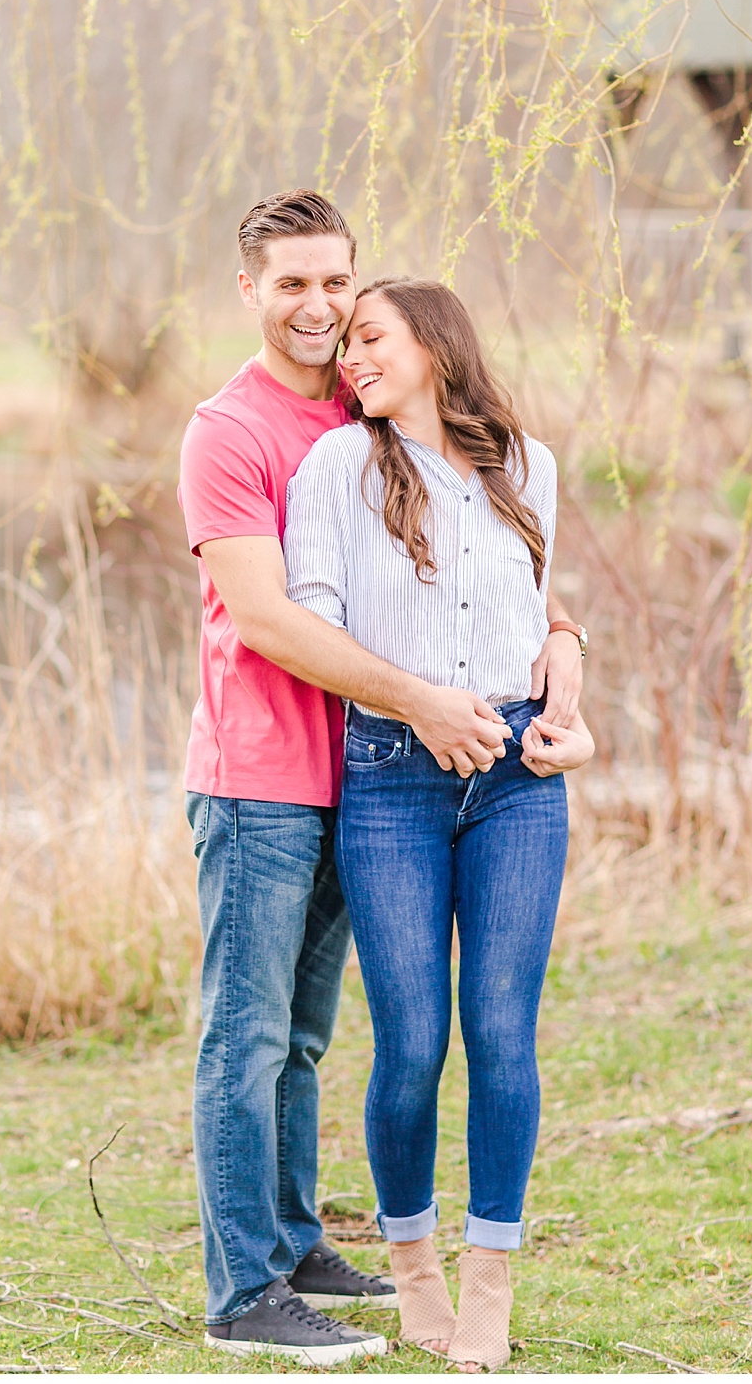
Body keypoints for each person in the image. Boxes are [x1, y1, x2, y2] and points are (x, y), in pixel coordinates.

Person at [178, 191, 586, 1366]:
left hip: (359, 775)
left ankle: (298, 1244)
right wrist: (422, 704)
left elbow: (497, 583)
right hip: (269, 774)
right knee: (248, 1038)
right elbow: (263, 614)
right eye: (293, 286)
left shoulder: (398, 432)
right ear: (248, 288)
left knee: (306, 1037)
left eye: (339, 291)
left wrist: (565, 651)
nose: (322, 312)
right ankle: (244, 1290)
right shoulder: (241, 432)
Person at [283, 277, 595, 1372]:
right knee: (411, 1041)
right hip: (391, 773)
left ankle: (490, 1279)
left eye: (370, 338)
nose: (349, 359)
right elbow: (311, 619)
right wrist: (418, 702)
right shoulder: (335, 468)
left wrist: (568, 699)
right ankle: (411, 1264)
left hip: (516, 779)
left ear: (434, 344)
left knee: (502, 1031)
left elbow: (544, 617)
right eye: (347, 346)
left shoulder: (527, 463)